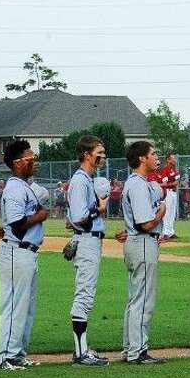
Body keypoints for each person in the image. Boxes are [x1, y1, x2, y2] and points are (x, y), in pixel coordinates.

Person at [0, 139, 47, 371]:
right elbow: (16, 225)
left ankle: (17, 354)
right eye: (30, 158)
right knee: (15, 306)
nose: (35, 161)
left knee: (26, 308)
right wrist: (40, 216)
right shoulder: (15, 188)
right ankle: (5, 357)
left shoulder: (24, 186)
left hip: (26, 252)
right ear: (17, 163)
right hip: (17, 250)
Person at [120, 140, 167, 365]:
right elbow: (145, 224)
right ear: (141, 158)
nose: (157, 158)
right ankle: (137, 351)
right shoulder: (138, 185)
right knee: (143, 300)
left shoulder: (138, 183)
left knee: (135, 299)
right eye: (153, 154)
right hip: (143, 242)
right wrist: (160, 214)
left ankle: (130, 349)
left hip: (137, 243)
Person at [65, 135, 110, 366]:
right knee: (84, 295)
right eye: (98, 152)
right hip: (87, 240)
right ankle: (81, 352)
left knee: (86, 294)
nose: (103, 156)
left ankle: (82, 350)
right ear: (86, 155)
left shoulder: (85, 180)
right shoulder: (81, 180)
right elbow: (80, 217)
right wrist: (99, 209)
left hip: (87, 239)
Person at [150, 153, 181, 240]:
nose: (174, 160)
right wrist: (173, 183)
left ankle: (170, 232)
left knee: (172, 213)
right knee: (167, 213)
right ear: (168, 160)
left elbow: (176, 181)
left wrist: (174, 183)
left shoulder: (173, 170)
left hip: (173, 192)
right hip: (168, 192)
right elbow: (165, 184)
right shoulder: (165, 170)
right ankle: (165, 233)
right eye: (172, 158)